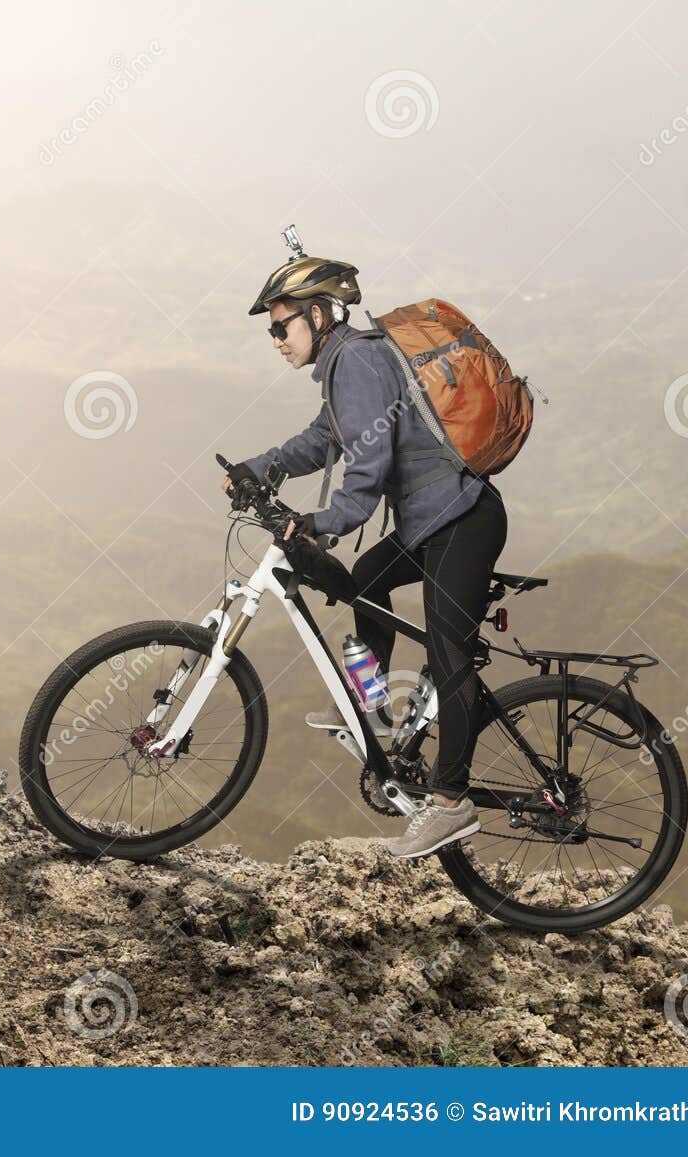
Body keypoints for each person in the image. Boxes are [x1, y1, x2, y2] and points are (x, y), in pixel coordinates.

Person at [223, 246, 507, 859]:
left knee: (449, 654)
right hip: (433, 522)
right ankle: (372, 705)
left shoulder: (355, 360)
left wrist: (322, 522)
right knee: (367, 580)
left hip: (461, 521)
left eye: (281, 326)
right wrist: (259, 468)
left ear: (318, 315)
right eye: (272, 331)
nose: (276, 340)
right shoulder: (346, 363)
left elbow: (368, 469)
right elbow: (324, 438)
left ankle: (451, 803)